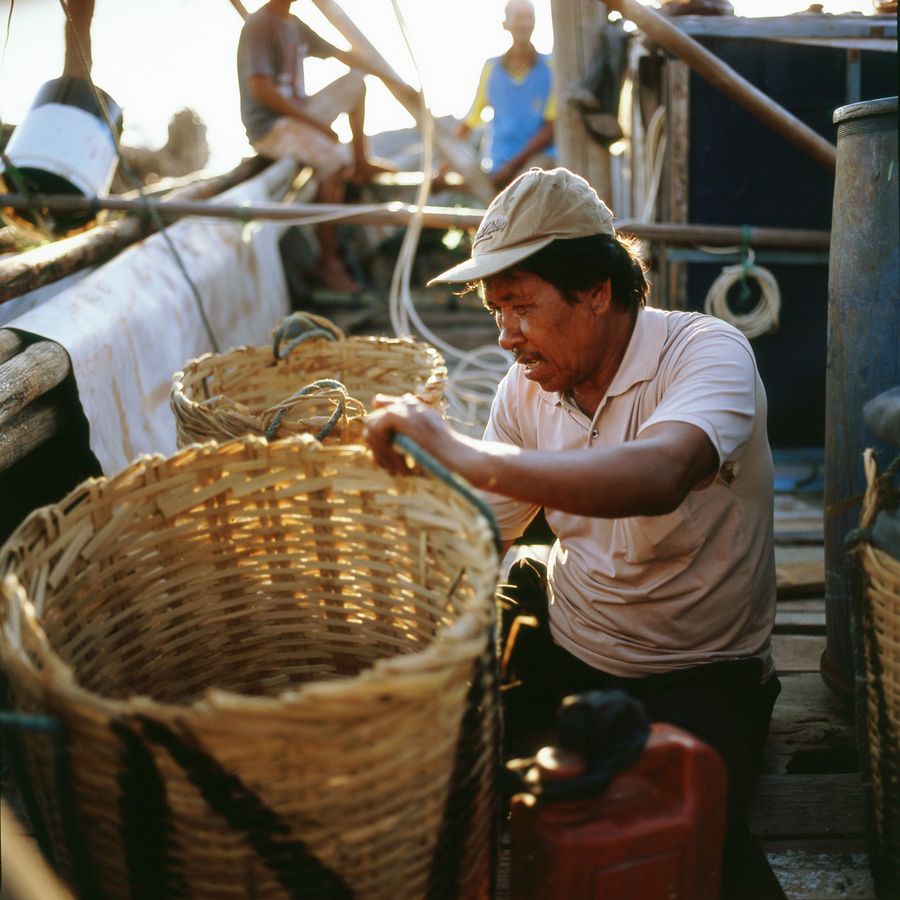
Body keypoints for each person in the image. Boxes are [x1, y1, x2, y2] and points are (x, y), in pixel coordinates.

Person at [364, 166, 786, 899]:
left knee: (670, 843)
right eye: (496, 312)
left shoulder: (707, 353)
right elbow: (480, 539)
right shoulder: (525, 390)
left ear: (597, 289)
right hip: (564, 639)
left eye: (520, 307)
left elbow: (659, 474)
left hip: (696, 673)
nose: (505, 338)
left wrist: (467, 455)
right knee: (431, 778)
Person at [237, 0, 390, 293]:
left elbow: (338, 53)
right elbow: (261, 89)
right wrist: (316, 125)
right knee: (332, 161)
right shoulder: (259, 25)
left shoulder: (293, 25)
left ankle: (361, 162)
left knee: (357, 84)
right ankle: (327, 260)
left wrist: (379, 69)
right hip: (270, 126)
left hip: (299, 114)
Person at [451, 0, 555, 191]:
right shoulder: (491, 69)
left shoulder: (550, 67)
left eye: (528, 17)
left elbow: (550, 128)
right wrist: (442, 167)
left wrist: (511, 167)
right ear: (505, 24)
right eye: (518, 17)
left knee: (527, 187)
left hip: (537, 162)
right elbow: (470, 121)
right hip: (499, 164)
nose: (524, 23)